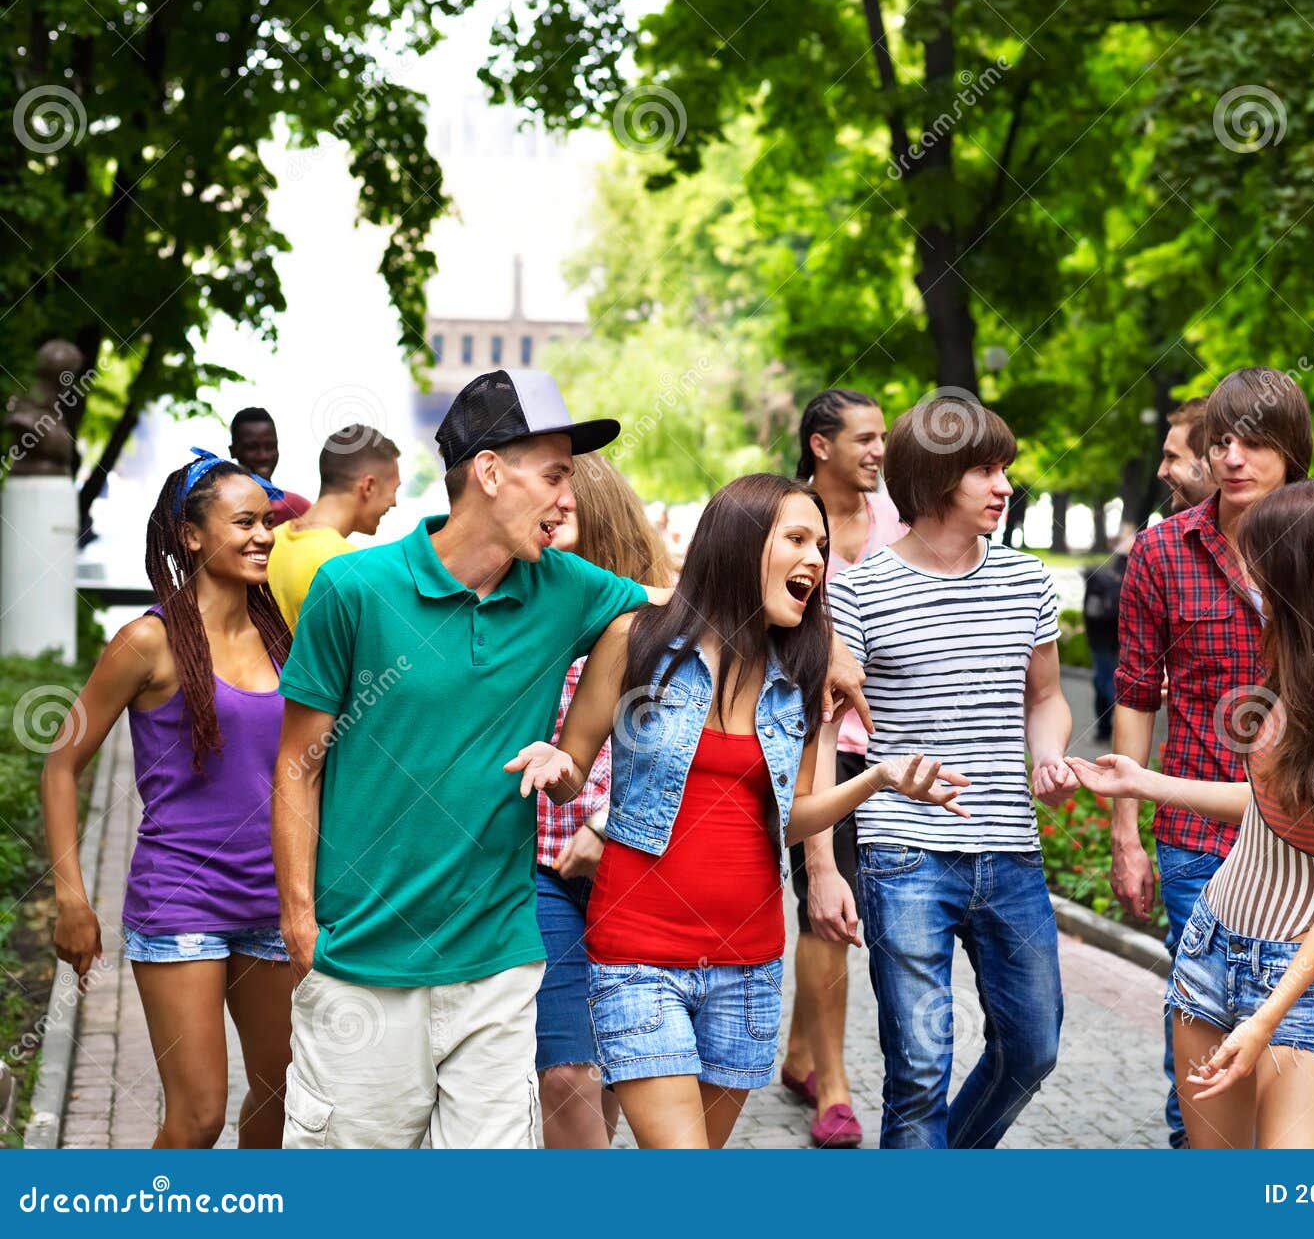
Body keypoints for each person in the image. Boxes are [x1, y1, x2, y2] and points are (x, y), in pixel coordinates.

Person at [274, 370, 869, 1149]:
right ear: (490, 472)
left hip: (498, 962)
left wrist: (816, 650)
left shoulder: (567, 587)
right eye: (555, 475)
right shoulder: (353, 589)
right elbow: (296, 766)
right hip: (361, 960)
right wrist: (299, 922)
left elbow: (688, 611)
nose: (569, 497)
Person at [506, 473, 968, 1149]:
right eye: (797, 539)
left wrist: (875, 781)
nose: (815, 558)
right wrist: (558, 767)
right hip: (638, 956)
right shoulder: (634, 642)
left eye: (821, 544)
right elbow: (574, 767)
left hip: (749, 967)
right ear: (741, 544)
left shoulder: (801, 670)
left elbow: (793, 818)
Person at [1070, 478, 1314, 1148]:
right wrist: (1142, 782)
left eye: (1266, 559)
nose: (1249, 571)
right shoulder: (1295, 665)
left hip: (1297, 979)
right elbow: (1268, 811)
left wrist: (1264, 1020)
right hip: (1211, 943)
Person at [828, 395, 1075, 1149]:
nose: (1004, 486)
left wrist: (1050, 752)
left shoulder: (1028, 582)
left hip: (1010, 852)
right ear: (936, 480)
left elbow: (1048, 697)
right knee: (919, 1066)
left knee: (1033, 1048)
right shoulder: (857, 591)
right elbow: (820, 727)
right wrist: (819, 866)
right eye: (985, 470)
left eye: (1005, 470)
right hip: (903, 852)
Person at [42, 450, 295, 1148]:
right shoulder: (146, 641)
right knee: (199, 1115)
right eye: (243, 522)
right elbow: (60, 766)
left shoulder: (283, 638)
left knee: (284, 1098)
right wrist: (71, 898)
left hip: (274, 903)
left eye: (267, 522)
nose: (263, 537)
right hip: (182, 897)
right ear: (191, 535)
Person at [1111, 366, 1313, 1148]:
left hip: (1304, 844)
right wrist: (1126, 836)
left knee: (1294, 1050)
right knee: (1200, 1060)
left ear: (1291, 451)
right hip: (1199, 842)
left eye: (1256, 442)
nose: (1234, 457)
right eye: (1222, 440)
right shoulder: (1162, 550)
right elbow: (1135, 695)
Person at [534, 454, 675, 1149]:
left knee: (621, 1073)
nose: (553, 505)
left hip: (636, 868)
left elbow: (685, 749)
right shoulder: (524, 603)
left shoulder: (659, 622)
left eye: (567, 494)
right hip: (539, 872)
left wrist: (606, 821)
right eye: (545, 493)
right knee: (568, 1073)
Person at [779, 388, 904, 1149]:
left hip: (894, 746)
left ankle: (798, 1055)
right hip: (811, 742)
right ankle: (834, 1084)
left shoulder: (902, 521)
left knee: (856, 906)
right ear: (821, 444)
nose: (879, 451)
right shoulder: (789, 520)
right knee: (827, 905)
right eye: (863, 438)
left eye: (883, 437)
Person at [267, 425, 401, 631]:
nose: (394, 503)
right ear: (369, 487)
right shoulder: (349, 564)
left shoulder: (270, 542)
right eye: (393, 490)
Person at [1083, 525, 1134, 742]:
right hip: (1113, 639)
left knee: (1104, 681)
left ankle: (1110, 729)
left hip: (1106, 639)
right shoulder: (1110, 573)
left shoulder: (1106, 572)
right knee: (1106, 682)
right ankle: (1112, 728)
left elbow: (1091, 611)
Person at [231, 407, 311, 524]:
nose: (263, 456)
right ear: (233, 451)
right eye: (252, 447)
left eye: (270, 446)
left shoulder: (298, 509)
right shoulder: (215, 509)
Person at [1159, 397, 1216, 513]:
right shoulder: (1163, 531)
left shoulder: (1259, 529)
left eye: (1171, 457)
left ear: (1211, 460)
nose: (1161, 473)